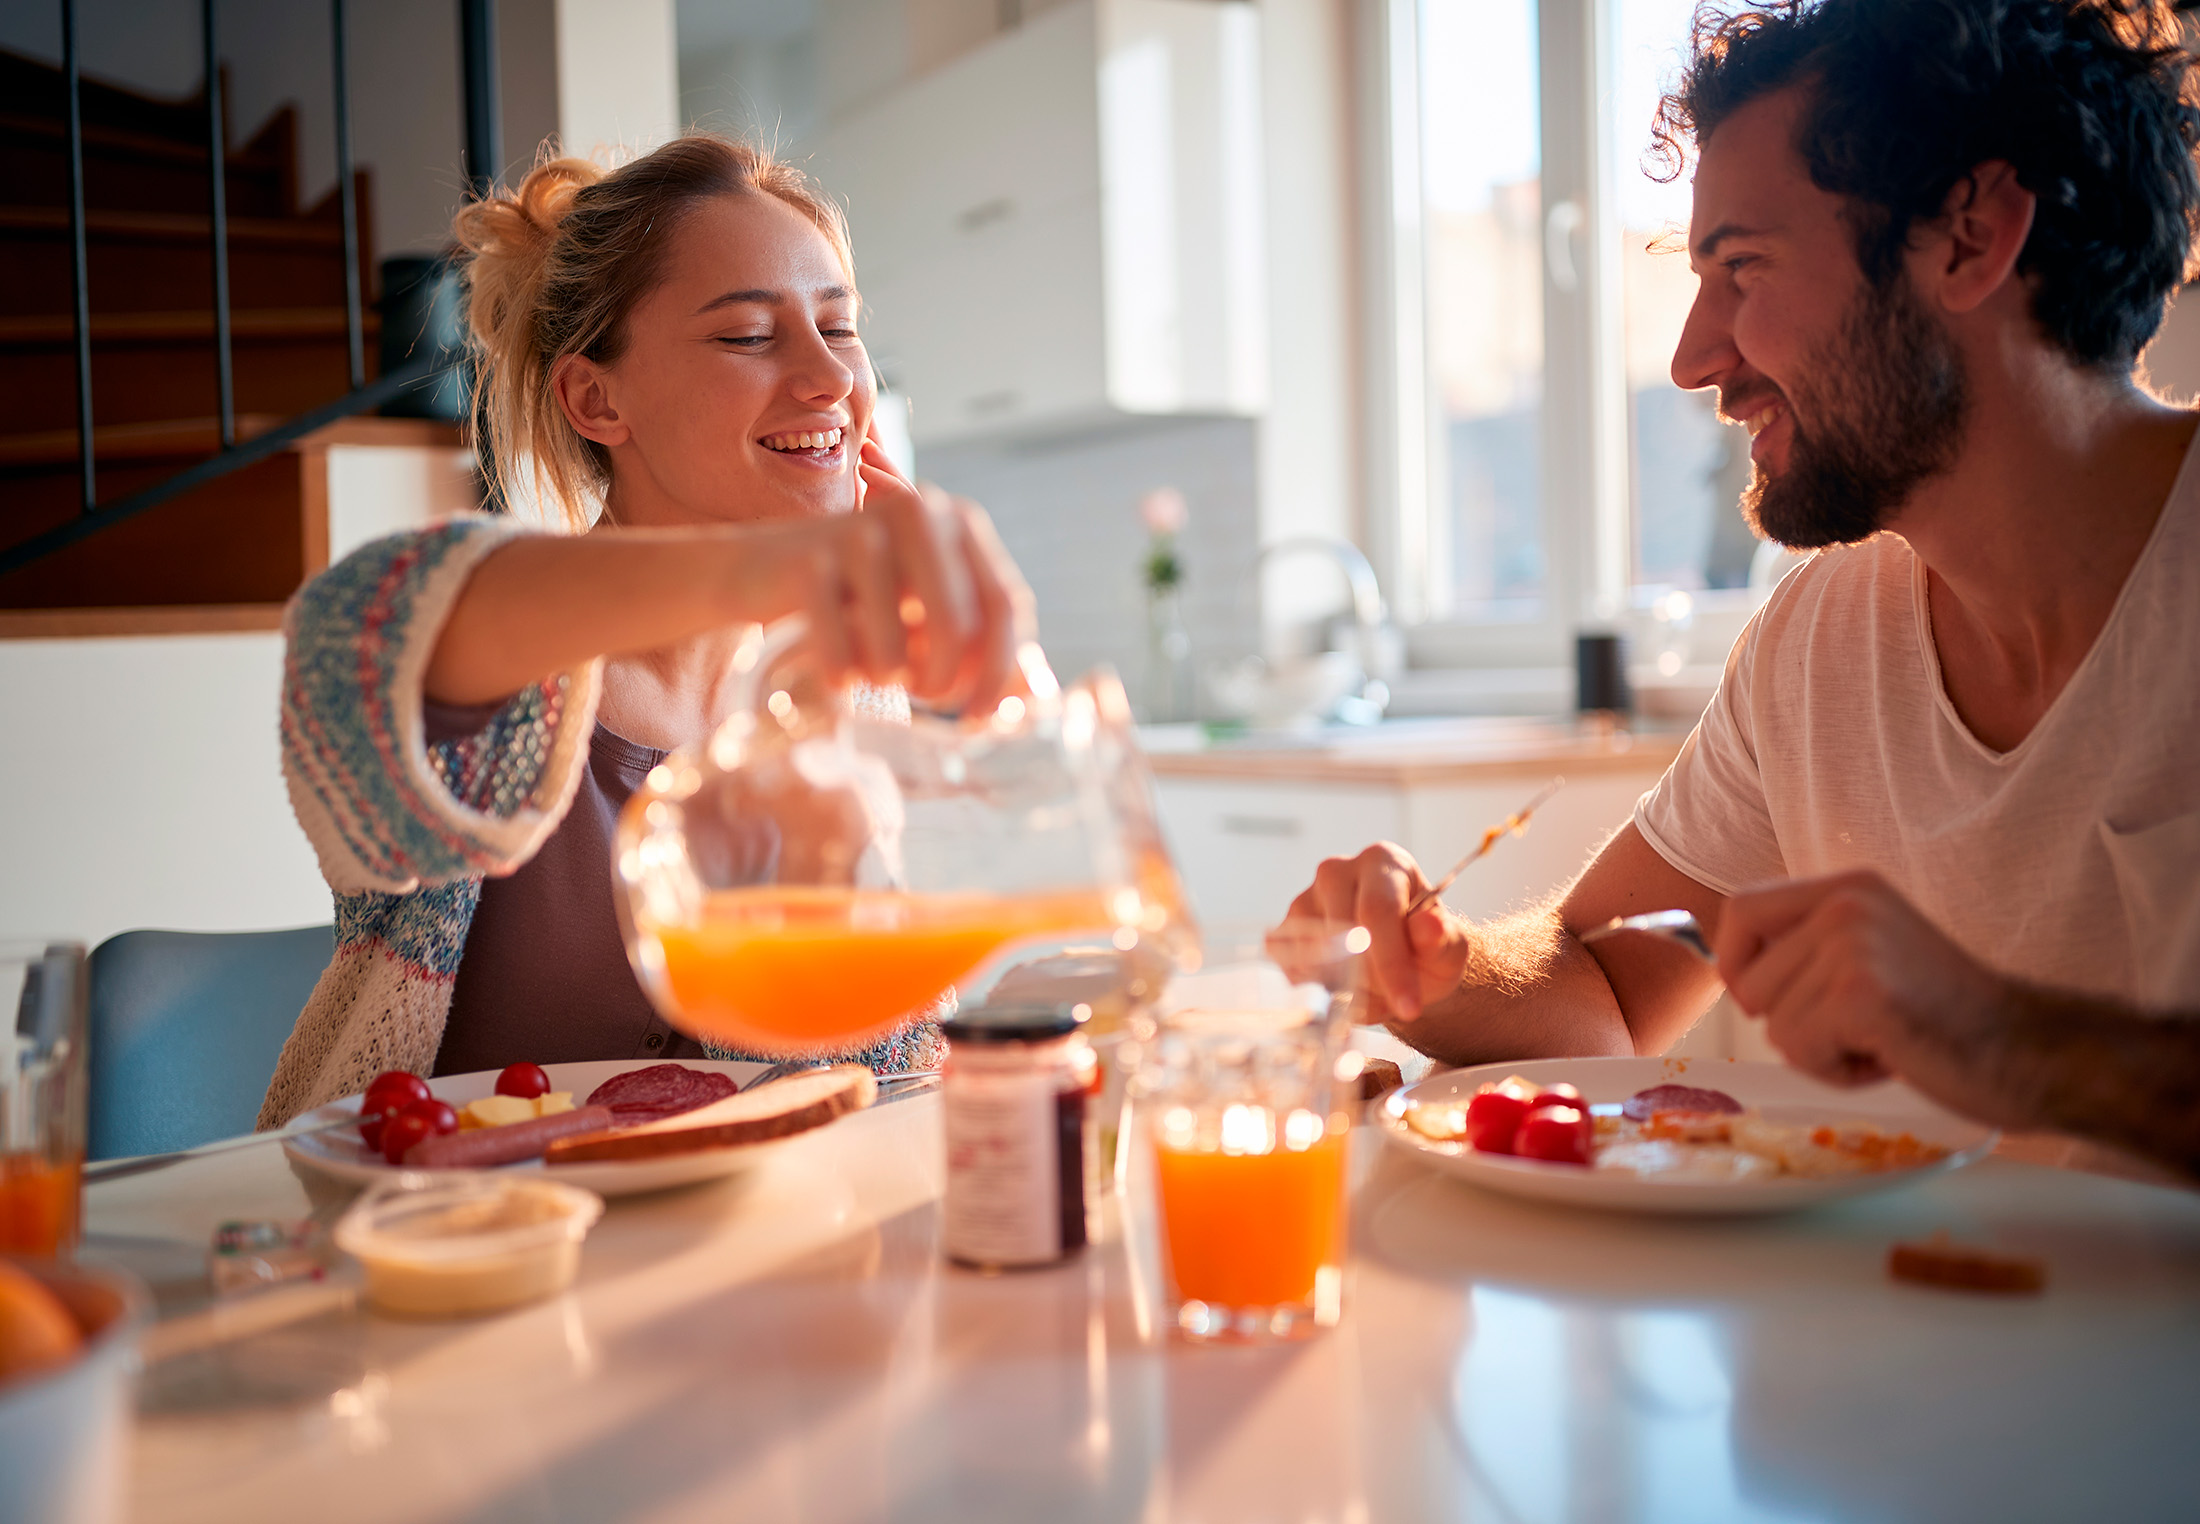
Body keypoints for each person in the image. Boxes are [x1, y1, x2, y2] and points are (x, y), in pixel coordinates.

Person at [1286, 0, 2200, 1177]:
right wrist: (1440, 965)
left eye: (1741, 269)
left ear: (1969, 241)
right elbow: (1610, 991)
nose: (1690, 359)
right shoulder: (1819, 639)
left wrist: (2008, 1040)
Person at [259, 137, 1035, 1126]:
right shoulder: (508, 673)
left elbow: (887, 1074)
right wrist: (788, 563)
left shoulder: (851, 696)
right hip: (452, 1257)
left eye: (839, 329)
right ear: (595, 397)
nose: (828, 379)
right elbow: (354, 635)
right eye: (749, 336)